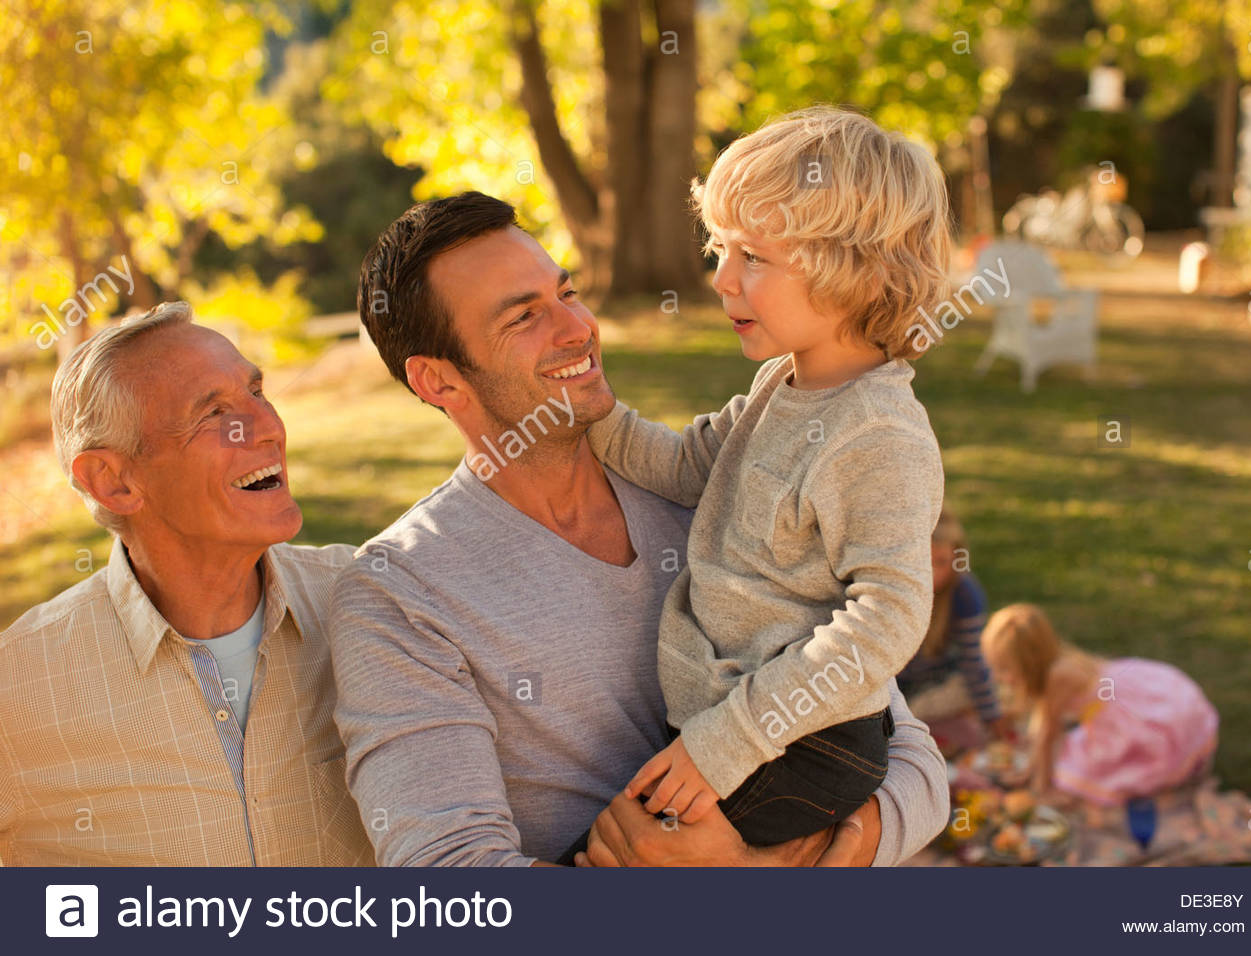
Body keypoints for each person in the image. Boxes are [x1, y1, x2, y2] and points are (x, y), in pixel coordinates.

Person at [329, 190, 950, 867]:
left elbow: (909, 755)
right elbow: (446, 875)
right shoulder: (401, 591)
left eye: (566, 293)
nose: (576, 328)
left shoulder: (725, 488)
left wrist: (758, 875)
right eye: (525, 317)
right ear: (438, 381)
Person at [577, 107, 947, 849]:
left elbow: (889, 619)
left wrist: (730, 741)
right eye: (720, 248)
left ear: (853, 269)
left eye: (752, 256)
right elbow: (687, 466)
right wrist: (594, 413)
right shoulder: (785, 384)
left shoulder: (879, 434)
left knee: (626, 860)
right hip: (742, 726)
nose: (721, 279)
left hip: (804, 742)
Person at [0, 303, 374, 866]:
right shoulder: (19, 686)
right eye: (214, 412)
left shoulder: (376, 604)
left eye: (257, 392)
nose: (269, 427)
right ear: (113, 481)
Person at [979, 603, 1219, 805]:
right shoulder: (1054, 663)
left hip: (1130, 713)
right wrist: (1030, 769)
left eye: (1004, 669)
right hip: (1121, 697)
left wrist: (1042, 788)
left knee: (1073, 774)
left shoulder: (1057, 676)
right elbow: (1042, 727)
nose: (1000, 678)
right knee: (1068, 757)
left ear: (1028, 662)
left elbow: (1047, 735)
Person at [896, 506, 1010, 739]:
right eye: (925, 560)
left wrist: (992, 717)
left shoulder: (964, 592)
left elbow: (973, 659)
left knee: (999, 684)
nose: (933, 572)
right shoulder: (896, 589)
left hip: (938, 682)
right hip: (893, 685)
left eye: (941, 562)